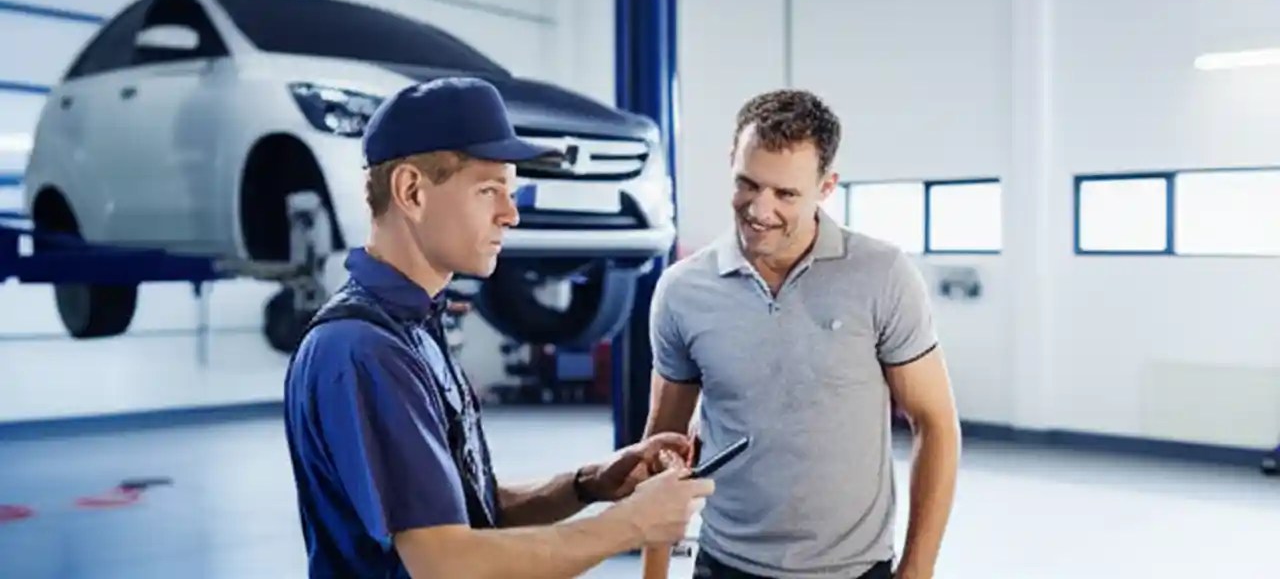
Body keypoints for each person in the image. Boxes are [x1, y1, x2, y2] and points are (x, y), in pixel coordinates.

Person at [282, 77, 714, 579]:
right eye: (489, 190)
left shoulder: (412, 328)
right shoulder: (363, 350)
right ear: (411, 191)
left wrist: (587, 483)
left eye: (511, 191)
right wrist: (630, 525)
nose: (510, 214)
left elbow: (464, 510)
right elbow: (446, 562)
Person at [642, 90, 961, 579]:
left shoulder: (882, 275)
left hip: (853, 570)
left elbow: (935, 423)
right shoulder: (683, 290)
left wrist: (917, 571)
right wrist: (654, 573)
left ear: (826, 186)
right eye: (747, 183)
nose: (759, 209)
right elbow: (662, 448)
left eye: (785, 194)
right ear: (731, 162)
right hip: (725, 565)